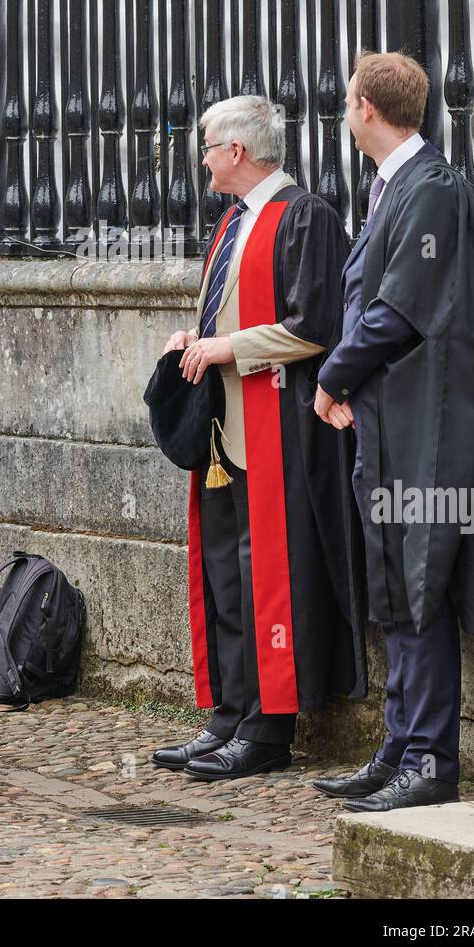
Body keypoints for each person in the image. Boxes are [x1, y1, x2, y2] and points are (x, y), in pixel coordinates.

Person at [312, 51, 474, 813]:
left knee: (419, 580)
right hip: (396, 422)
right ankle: (399, 745)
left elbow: (397, 309)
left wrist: (333, 378)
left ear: (365, 107)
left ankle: (430, 760)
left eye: (348, 101)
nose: (343, 114)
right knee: (396, 580)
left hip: (431, 432)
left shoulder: (430, 188)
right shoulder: (399, 187)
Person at [151, 95, 367, 781]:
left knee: (270, 579)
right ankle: (228, 716)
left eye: (208, 146)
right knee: (225, 577)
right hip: (223, 430)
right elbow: (232, 311)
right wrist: (196, 340)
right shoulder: (233, 223)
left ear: (237, 152)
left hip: (279, 430)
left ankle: (269, 730)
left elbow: (315, 327)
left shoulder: (306, 215)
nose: (203, 158)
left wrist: (226, 348)